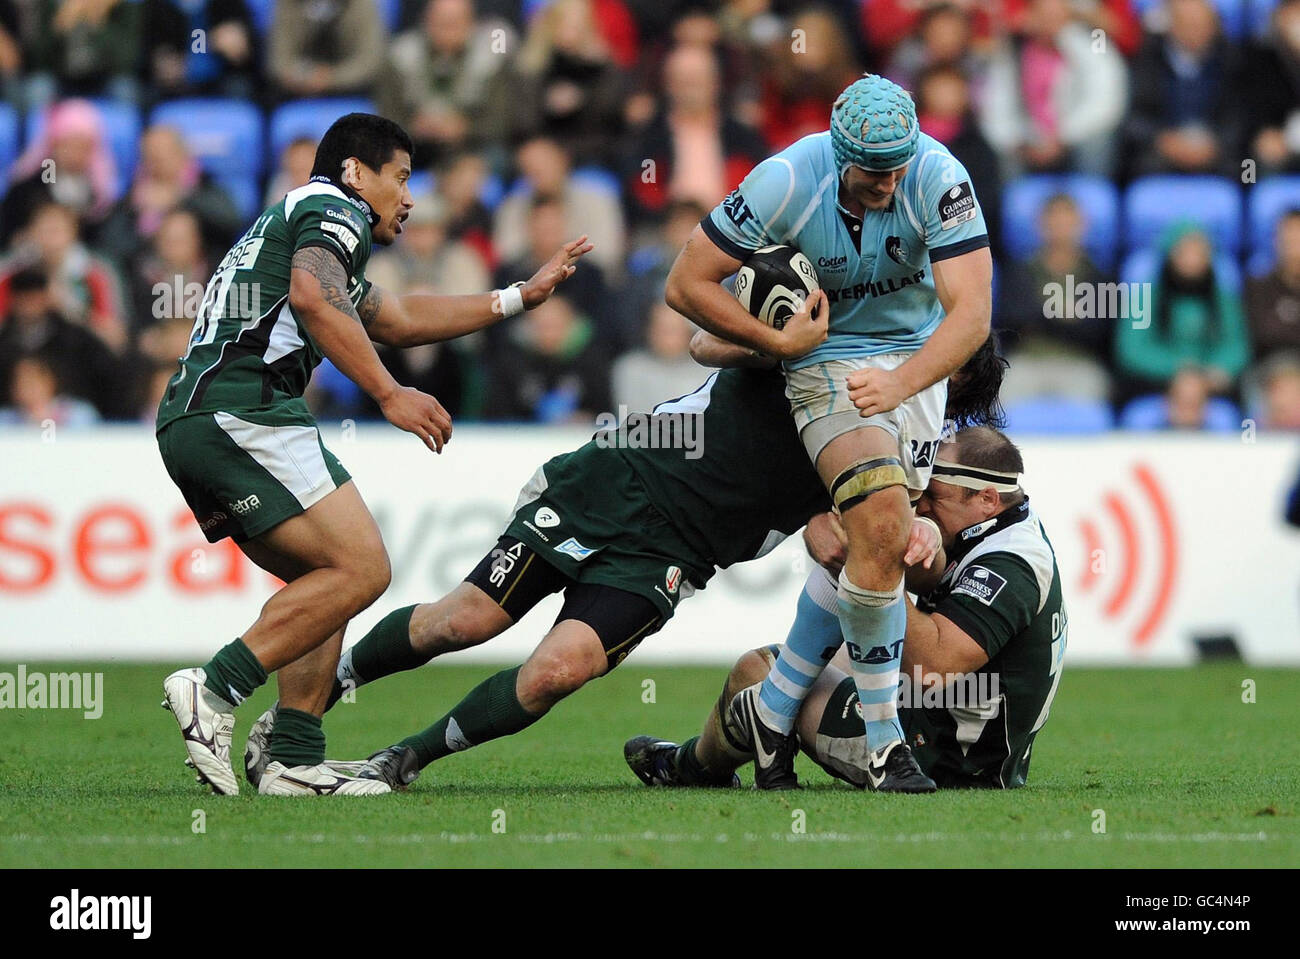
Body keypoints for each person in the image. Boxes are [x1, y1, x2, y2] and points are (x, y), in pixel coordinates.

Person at [233, 333, 1006, 792]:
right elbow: (705, 340)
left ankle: (398, 762)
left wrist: (903, 533)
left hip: (675, 554)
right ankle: (308, 708)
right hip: (621, 475)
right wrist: (778, 337)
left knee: (553, 674)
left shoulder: (897, 445)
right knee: (460, 620)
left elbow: (835, 538)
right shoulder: (820, 340)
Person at [156, 113, 591, 798]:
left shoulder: (303, 223)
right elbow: (313, 296)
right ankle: (213, 687)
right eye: (402, 176)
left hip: (199, 419)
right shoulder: (334, 206)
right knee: (363, 566)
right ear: (358, 173)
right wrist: (389, 393)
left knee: (329, 573)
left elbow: (396, 317)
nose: (409, 196)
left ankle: (292, 757)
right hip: (245, 407)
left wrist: (516, 297)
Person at [664, 72, 992, 790]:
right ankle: (885, 748)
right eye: (876, 172)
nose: (890, 181)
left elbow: (972, 316)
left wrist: (903, 385)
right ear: (841, 155)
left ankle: (773, 713)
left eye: (899, 164)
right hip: (825, 360)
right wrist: (773, 342)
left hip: (914, 366)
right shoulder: (784, 179)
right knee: (881, 517)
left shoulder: (939, 177)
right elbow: (685, 285)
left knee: (868, 546)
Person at [625, 425, 1067, 792]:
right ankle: (708, 760)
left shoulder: (1013, 565)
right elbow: (933, 576)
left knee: (759, 673)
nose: (922, 505)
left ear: (986, 499)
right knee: (776, 664)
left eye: (934, 496)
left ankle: (689, 767)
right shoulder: (997, 529)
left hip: (949, 756)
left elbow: (935, 666)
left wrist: (868, 560)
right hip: (946, 721)